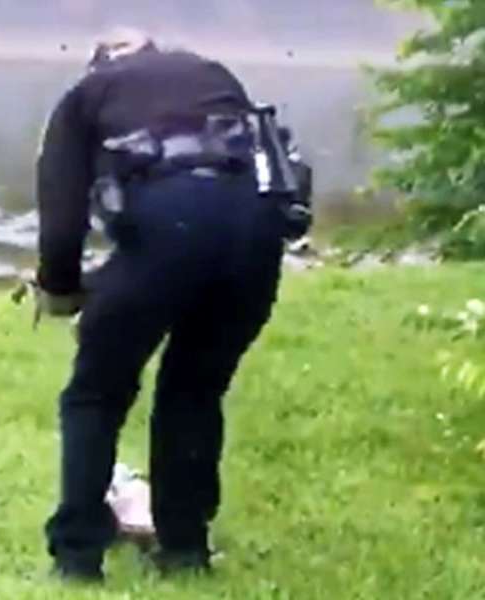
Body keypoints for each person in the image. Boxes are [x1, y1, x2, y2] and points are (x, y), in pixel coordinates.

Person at [31, 28, 312, 582]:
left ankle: (77, 560)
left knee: (95, 394)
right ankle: (185, 551)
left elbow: (61, 216)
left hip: (171, 225)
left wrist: (61, 288)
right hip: (255, 234)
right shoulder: (213, 76)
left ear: (96, 65)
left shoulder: (86, 97)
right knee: (195, 391)